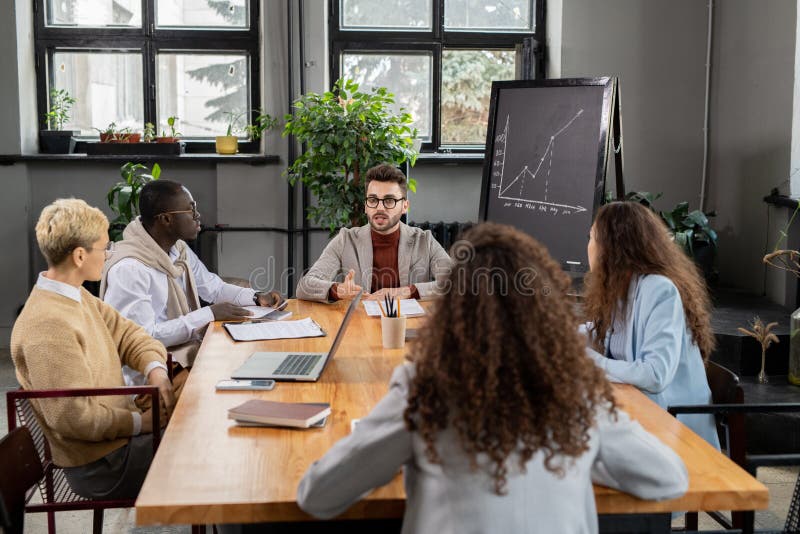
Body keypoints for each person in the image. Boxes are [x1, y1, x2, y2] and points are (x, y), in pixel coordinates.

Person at [296, 223, 688, 532]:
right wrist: (582, 451)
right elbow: (668, 479)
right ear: (543, 307)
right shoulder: (576, 390)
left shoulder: (424, 387)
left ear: (453, 309)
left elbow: (318, 495)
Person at [10, 198, 175, 500]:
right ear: (80, 256)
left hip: (117, 445)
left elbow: (130, 335)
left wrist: (155, 369)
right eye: (104, 248)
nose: (109, 254)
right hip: (103, 467)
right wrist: (141, 423)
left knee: (197, 423)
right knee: (205, 445)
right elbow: (74, 419)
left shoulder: (75, 296)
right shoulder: (47, 325)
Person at [100, 179, 284, 383]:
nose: (198, 216)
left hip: (182, 354)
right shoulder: (130, 269)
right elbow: (142, 337)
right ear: (166, 219)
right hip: (151, 377)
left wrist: (256, 297)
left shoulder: (178, 250)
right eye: (191, 210)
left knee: (251, 362)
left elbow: (213, 288)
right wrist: (208, 314)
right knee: (236, 374)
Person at [582, 201, 720, 449]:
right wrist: (554, 336)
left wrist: (588, 361)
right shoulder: (621, 288)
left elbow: (655, 374)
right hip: (647, 418)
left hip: (676, 433)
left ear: (612, 248)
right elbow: (603, 333)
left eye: (592, 237)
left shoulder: (658, 289)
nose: (588, 246)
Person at [295, 164, 452, 302]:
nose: (380, 208)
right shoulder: (346, 239)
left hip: (406, 327)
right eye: (373, 200)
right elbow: (305, 286)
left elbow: (457, 283)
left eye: (389, 200)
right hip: (361, 326)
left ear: (405, 206)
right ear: (365, 206)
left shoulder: (424, 240)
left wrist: (407, 291)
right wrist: (338, 290)